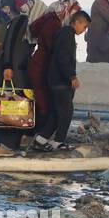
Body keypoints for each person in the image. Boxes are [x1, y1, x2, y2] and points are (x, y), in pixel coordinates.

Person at [0, 0, 42, 157]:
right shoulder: (22, 22)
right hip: (8, 72)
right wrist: (7, 66)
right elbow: (9, 44)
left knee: (8, 106)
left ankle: (5, 145)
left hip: (14, 71)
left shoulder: (28, 26)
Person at [26, 0, 80, 152]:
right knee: (51, 107)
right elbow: (58, 54)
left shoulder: (53, 22)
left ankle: (40, 138)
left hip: (43, 68)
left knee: (52, 108)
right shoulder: (55, 25)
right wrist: (71, 75)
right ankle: (39, 137)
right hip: (43, 69)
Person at [39, 10, 89, 152]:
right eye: (84, 27)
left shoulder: (63, 33)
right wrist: (72, 76)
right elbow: (63, 59)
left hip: (54, 79)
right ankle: (58, 141)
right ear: (77, 22)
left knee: (56, 112)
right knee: (67, 112)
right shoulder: (67, 35)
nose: (84, 30)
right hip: (61, 81)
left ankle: (40, 140)